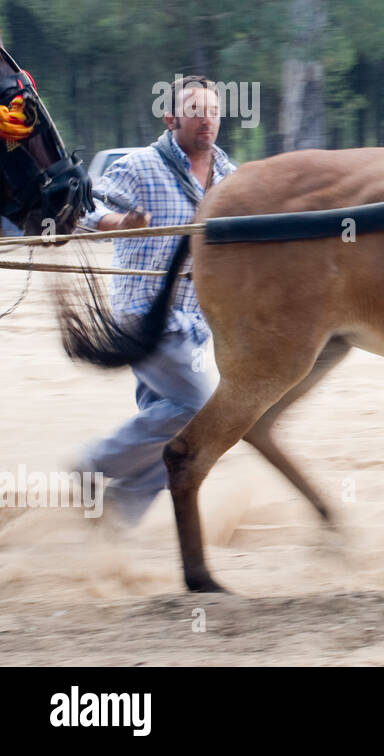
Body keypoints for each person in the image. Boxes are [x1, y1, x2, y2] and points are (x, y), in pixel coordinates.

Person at [72, 75, 236, 526]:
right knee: (199, 410)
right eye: (196, 111)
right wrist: (120, 222)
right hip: (143, 314)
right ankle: (93, 466)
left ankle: (115, 521)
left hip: (197, 323)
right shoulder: (140, 165)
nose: (207, 120)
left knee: (175, 434)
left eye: (213, 111)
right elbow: (86, 209)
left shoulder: (228, 175)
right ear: (171, 118)